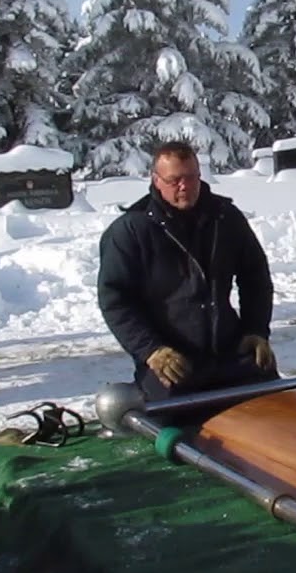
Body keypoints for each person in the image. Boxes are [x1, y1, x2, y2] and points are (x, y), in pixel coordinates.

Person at [97, 141, 279, 403]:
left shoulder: (225, 218)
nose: (185, 186)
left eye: (191, 177)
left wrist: (256, 330)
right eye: (174, 180)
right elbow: (115, 300)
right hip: (172, 360)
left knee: (277, 408)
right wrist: (151, 350)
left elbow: (256, 277)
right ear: (156, 180)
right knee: (178, 421)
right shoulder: (130, 232)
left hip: (229, 351)